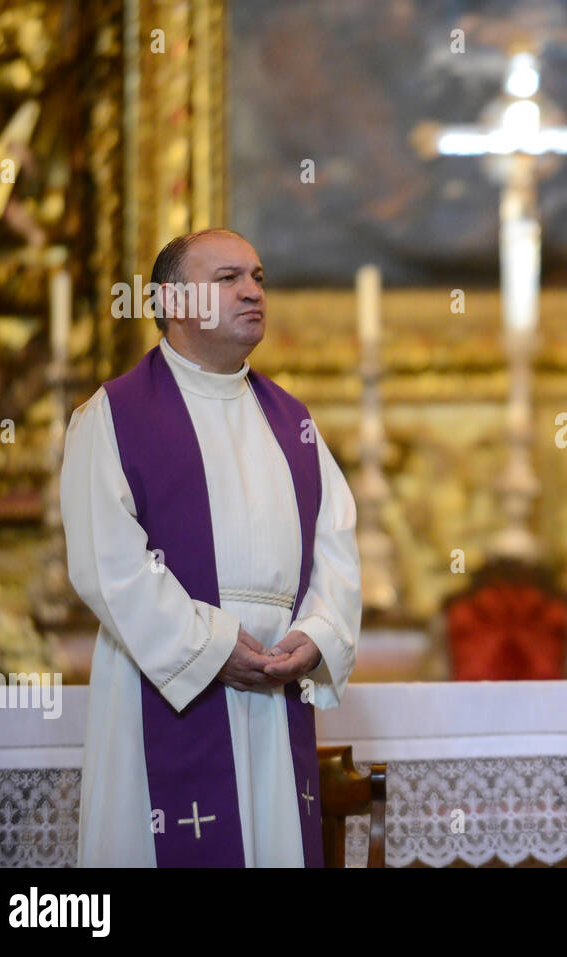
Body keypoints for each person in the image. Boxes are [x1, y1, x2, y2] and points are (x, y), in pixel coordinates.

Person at [62, 228, 362, 866]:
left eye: (257, 278)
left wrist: (317, 634)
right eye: (228, 279)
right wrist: (211, 648)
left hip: (276, 684)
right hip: (167, 680)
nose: (253, 292)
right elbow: (107, 563)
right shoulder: (112, 415)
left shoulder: (294, 422)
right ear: (172, 301)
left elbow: (336, 544)